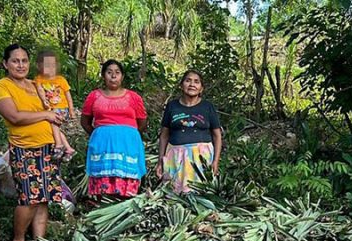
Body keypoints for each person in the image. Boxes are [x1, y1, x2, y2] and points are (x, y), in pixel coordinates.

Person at [0, 44, 65, 241]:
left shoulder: (35, 85)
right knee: (29, 197)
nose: (20, 65)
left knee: (43, 198)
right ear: (6, 64)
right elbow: (14, 117)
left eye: (24, 60)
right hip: (25, 149)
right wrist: (46, 114)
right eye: (15, 61)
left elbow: (54, 114)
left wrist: (61, 140)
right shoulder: (1, 86)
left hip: (48, 147)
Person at [80, 60, 148, 198]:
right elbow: (85, 122)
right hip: (102, 148)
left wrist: (126, 135)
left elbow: (142, 122)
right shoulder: (94, 96)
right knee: (102, 189)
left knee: (127, 190)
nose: (113, 76)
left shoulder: (133, 98)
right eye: (109, 72)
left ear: (122, 77)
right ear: (103, 75)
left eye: (117, 73)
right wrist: (100, 135)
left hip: (128, 147)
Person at [156, 70, 224, 193]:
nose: (192, 84)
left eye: (196, 82)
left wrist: (215, 162)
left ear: (201, 88)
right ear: (181, 85)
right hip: (175, 157)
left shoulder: (207, 107)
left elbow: (217, 136)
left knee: (199, 194)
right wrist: (160, 160)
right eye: (188, 81)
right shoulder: (172, 106)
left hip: (201, 158)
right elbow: (164, 135)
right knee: (173, 194)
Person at [32, 50, 76, 160]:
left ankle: (59, 145)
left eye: (53, 65)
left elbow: (68, 95)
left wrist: (71, 110)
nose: (50, 68)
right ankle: (68, 148)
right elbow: (40, 90)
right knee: (52, 126)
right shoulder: (38, 79)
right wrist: (44, 101)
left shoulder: (61, 80)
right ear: (39, 66)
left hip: (61, 108)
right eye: (47, 65)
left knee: (53, 123)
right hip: (50, 109)